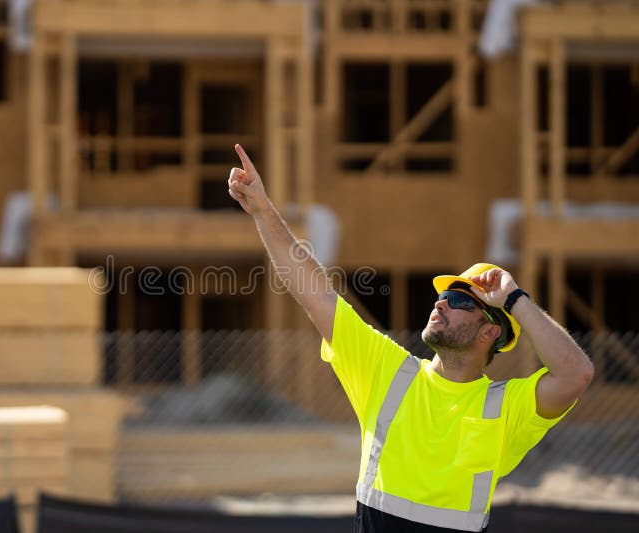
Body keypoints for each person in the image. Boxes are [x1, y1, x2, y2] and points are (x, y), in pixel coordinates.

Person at [227, 144, 594, 533]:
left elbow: (576, 374)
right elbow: (314, 290)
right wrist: (264, 211)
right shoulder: (387, 370)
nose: (440, 303)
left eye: (456, 299)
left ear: (490, 331)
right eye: (441, 295)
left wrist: (515, 299)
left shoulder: (506, 407)